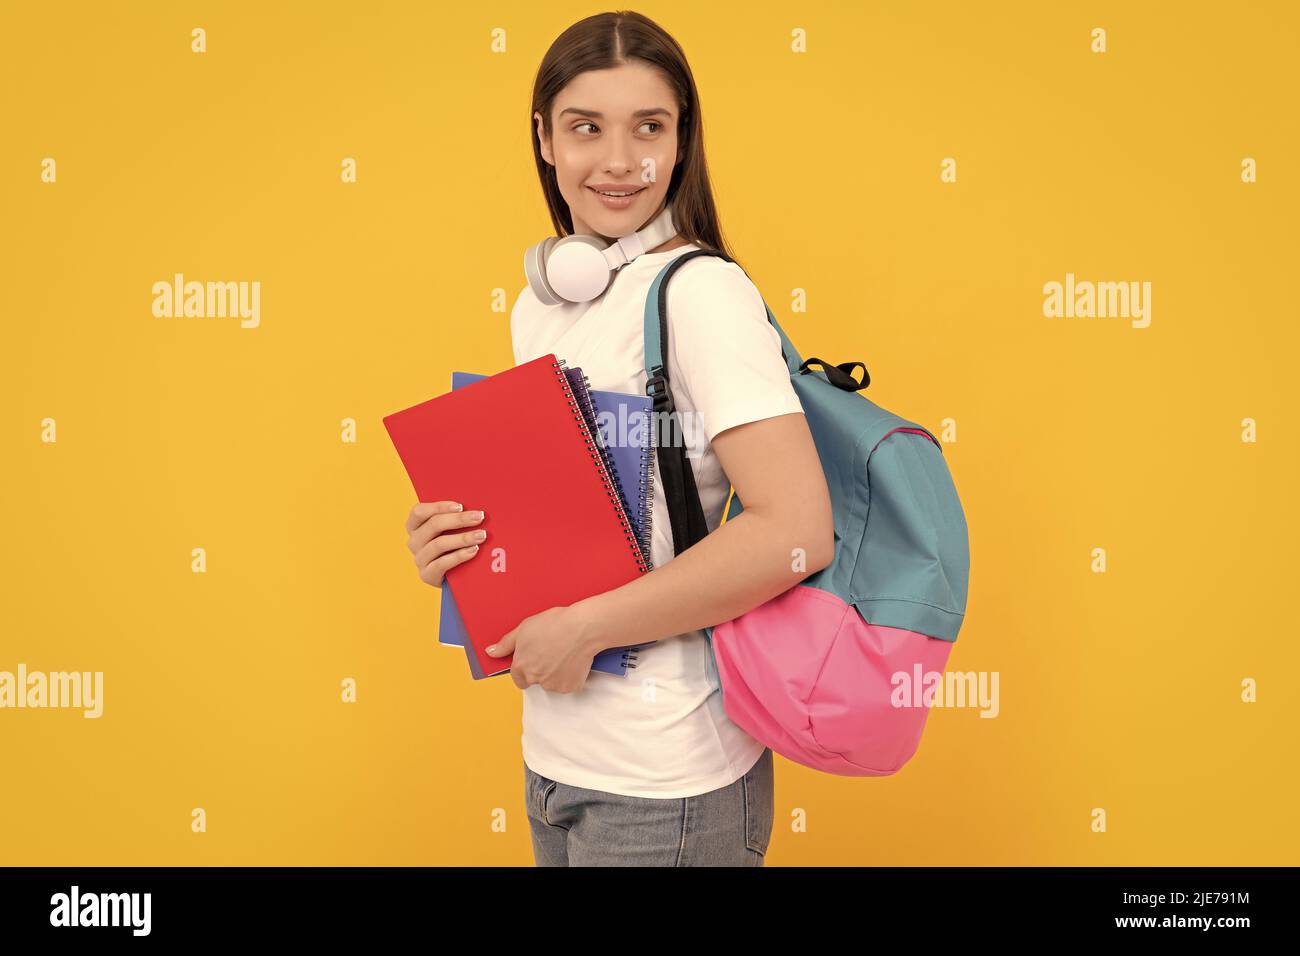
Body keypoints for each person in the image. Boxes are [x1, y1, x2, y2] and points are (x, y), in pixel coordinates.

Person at [403, 11, 833, 866]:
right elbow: (565, 526)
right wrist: (454, 549)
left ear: (681, 143)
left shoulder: (700, 295)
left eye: (650, 126)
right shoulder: (542, 308)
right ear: (545, 140)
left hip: (670, 775)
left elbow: (794, 533)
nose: (617, 159)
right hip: (557, 758)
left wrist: (587, 628)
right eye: (585, 127)